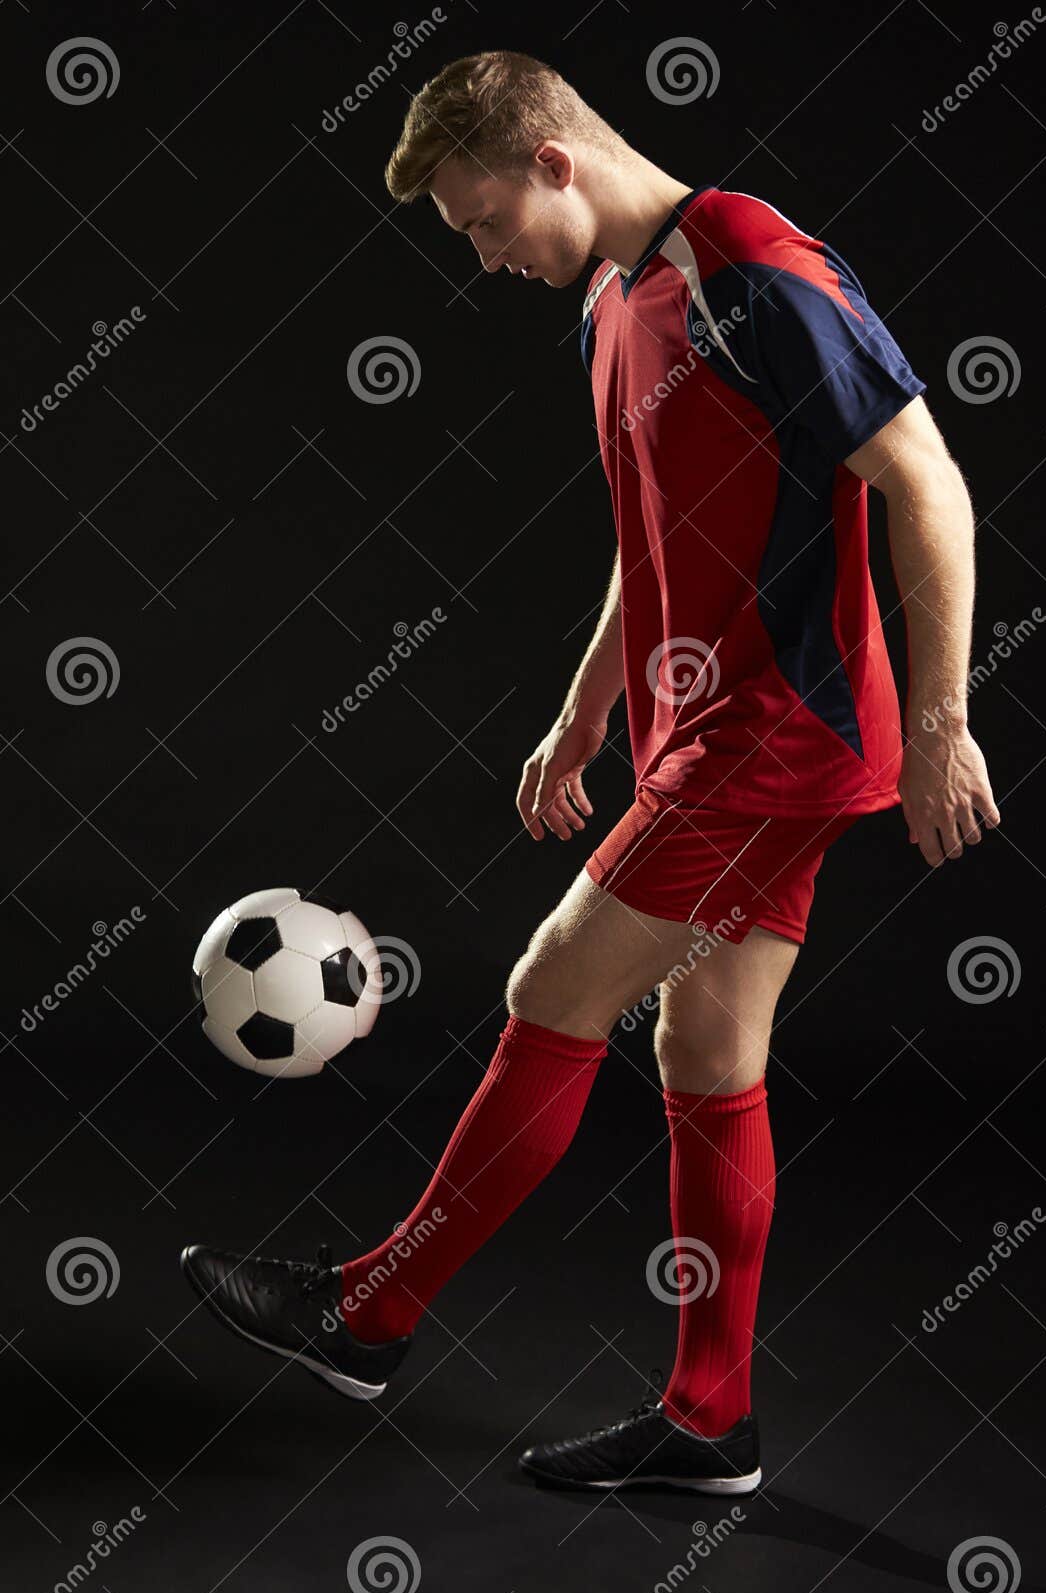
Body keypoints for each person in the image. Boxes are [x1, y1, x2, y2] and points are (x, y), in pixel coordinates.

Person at [181, 51, 999, 1496]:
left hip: (778, 736)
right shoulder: (614, 307)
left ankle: (367, 1314)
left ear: (553, 160)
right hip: (713, 738)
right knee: (706, 1057)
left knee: (552, 990)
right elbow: (651, 536)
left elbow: (926, 481)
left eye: (486, 221)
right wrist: (583, 719)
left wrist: (942, 723)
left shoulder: (754, 269)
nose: (485, 258)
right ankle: (710, 1422)